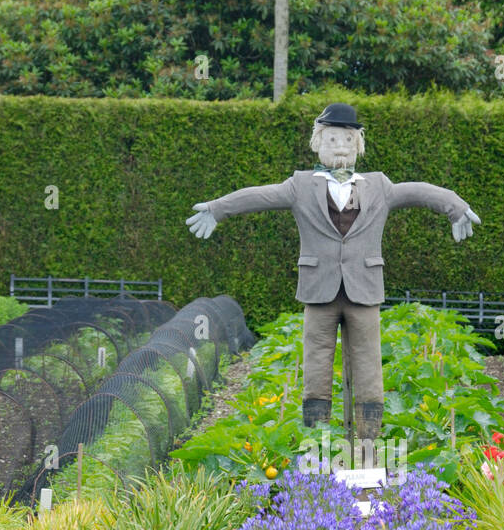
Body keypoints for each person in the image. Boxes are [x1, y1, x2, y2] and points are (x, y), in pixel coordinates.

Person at [186, 102, 480, 439]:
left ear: (358, 144)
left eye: (346, 140)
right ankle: (318, 439)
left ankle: (367, 439)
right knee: (316, 363)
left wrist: (456, 207)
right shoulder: (300, 185)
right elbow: (260, 196)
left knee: (368, 365)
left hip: (364, 289)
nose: (340, 146)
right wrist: (218, 209)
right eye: (332, 139)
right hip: (318, 290)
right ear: (317, 143)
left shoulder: (379, 186)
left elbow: (417, 191)